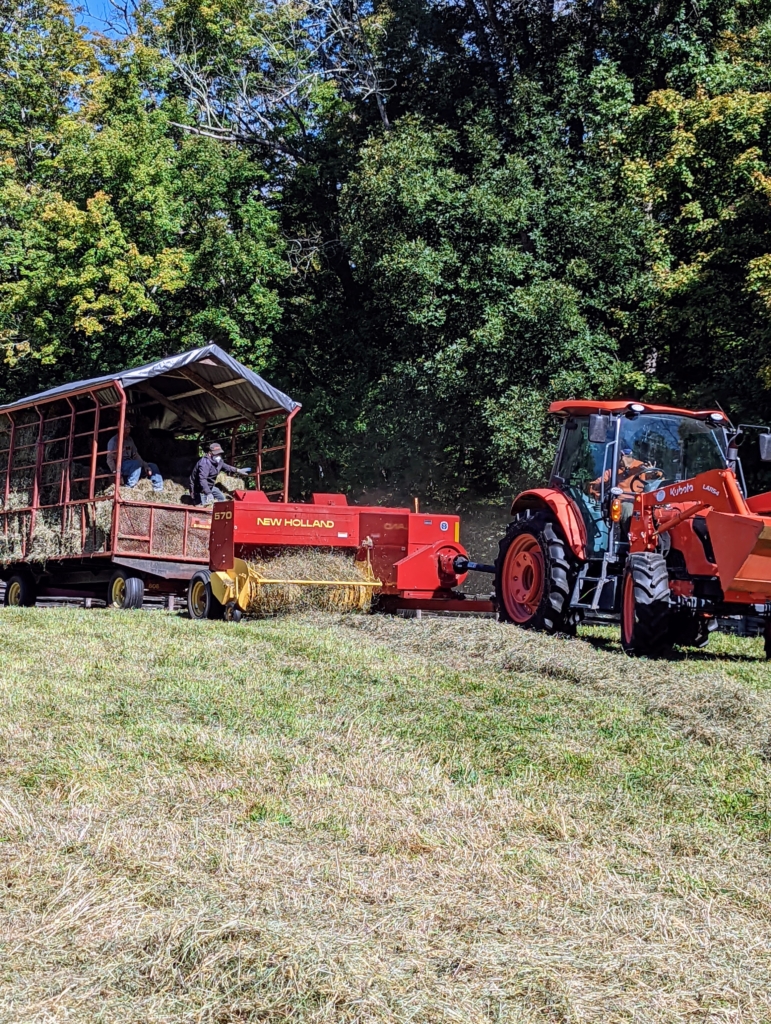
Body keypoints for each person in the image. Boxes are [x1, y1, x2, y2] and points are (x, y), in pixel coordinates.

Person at [107, 422, 163, 491]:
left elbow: (135, 455)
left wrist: (145, 465)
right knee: (136, 464)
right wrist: (115, 471)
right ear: (120, 429)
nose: (128, 430)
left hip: (132, 463)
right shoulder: (114, 441)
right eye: (126, 428)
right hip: (121, 465)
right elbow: (109, 458)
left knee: (152, 466)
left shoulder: (130, 440)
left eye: (129, 428)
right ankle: (130, 487)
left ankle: (158, 489)